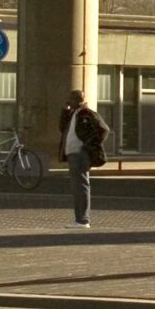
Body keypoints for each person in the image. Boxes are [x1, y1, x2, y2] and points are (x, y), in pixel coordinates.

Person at [54, 89, 107, 229]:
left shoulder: (86, 113)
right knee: (77, 187)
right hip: (72, 154)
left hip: (80, 153)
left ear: (78, 100)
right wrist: (65, 111)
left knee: (81, 186)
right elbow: (62, 128)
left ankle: (82, 219)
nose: (69, 101)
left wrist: (88, 145)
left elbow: (103, 129)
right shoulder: (74, 114)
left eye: (71, 99)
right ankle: (80, 218)